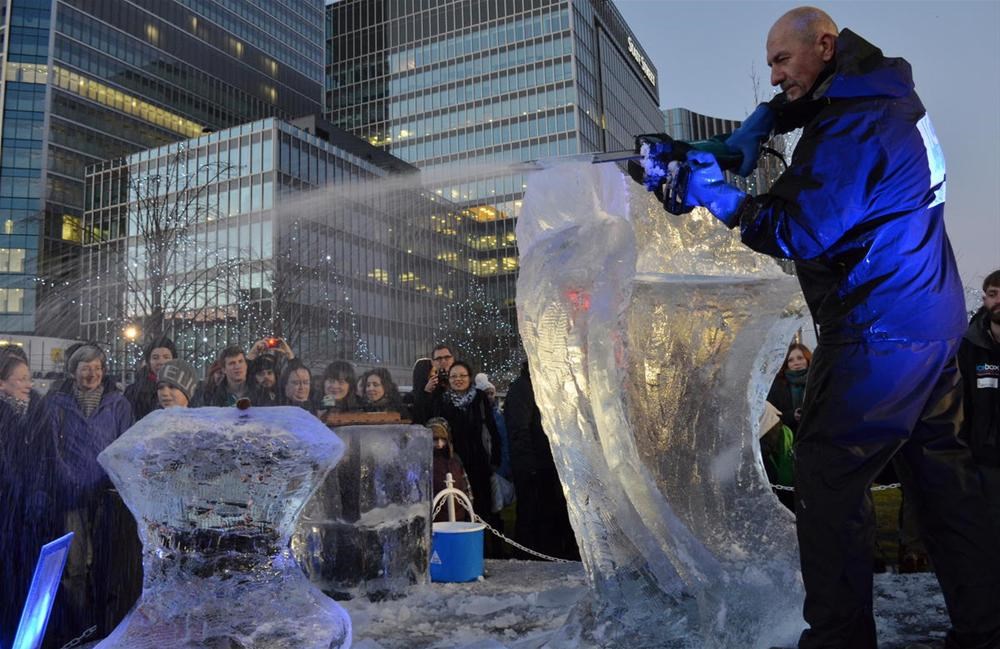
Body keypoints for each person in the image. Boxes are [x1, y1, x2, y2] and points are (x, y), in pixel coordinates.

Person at [637, 7, 1000, 648]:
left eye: (782, 61)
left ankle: (838, 639)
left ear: (825, 46)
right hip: (929, 323)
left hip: (875, 328)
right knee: (945, 485)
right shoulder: (879, 95)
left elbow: (797, 229)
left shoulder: (856, 126)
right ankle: (986, 626)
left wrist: (717, 195)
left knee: (829, 480)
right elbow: (808, 110)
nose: (775, 75)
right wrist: (757, 125)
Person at [42, 344, 141, 646]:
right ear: (73, 372)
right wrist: (66, 479)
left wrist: (115, 482)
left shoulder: (118, 404)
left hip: (107, 497)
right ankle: (77, 621)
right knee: (74, 565)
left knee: (105, 562)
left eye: (97, 368)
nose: (92, 374)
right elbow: (52, 449)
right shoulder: (57, 403)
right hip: (70, 495)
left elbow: (127, 446)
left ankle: (103, 621)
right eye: (85, 368)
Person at [503, 360, 578, 561]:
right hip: (535, 469)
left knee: (550, 517)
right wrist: (530, 468)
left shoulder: (547, 387)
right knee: (534, 518)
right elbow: (520, 432)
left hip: (551, 467)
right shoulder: (523, 388)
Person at [0, 351, 49, 647]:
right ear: (2, 384)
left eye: (29, 378)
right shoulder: (6, 416)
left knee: (24, 571)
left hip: (26, 508)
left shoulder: (34, 412)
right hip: (7, 505)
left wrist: (38, 490)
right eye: (20, 379)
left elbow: (41, 458)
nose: (28, 384)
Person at [430, 361, 502, 550]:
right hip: (453, 463)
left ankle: (486, 549)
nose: (458, 379)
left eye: (462, 375)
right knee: (457, 508)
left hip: (479, 461)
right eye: (454, 376)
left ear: (470, 378)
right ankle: (460, 548)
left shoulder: (479, 398)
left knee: (483, 507)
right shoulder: (442, 400)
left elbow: (491, 428)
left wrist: (495, 458)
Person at [958, 270, 1000, 541]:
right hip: (986, 459)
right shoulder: (968, 346)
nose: (998, 301)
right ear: (984, 298)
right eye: (993, 294)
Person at [762, 343, 811, 511]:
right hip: (788, 442)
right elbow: (773, 414)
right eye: (791, 360)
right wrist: (793, 415)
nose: (796, 362)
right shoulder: (778, 385)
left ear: (807, 359)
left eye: (799, 358)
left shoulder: (816, 381)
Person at [428, 416, 471, 522]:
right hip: (436, 519)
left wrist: (469, 510)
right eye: (435, 439)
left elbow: (466, 486)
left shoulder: (455, 459)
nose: (439, 444)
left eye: (442, 439)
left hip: (459, 516)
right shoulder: (425, 462)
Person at [123, 336, 176, 420]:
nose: (161, 362)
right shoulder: (133, 392)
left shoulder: (184, 390)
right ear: (148, 362)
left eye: (166, 357)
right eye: (155, 358)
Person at [412, 344, 456, 424]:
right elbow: (421, 415)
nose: (443, 361)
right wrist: (426, 392)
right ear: (433, 362)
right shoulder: (431, 387)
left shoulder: (460, 379)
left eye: (447, 357)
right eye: (439, 359)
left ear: (452, 359)